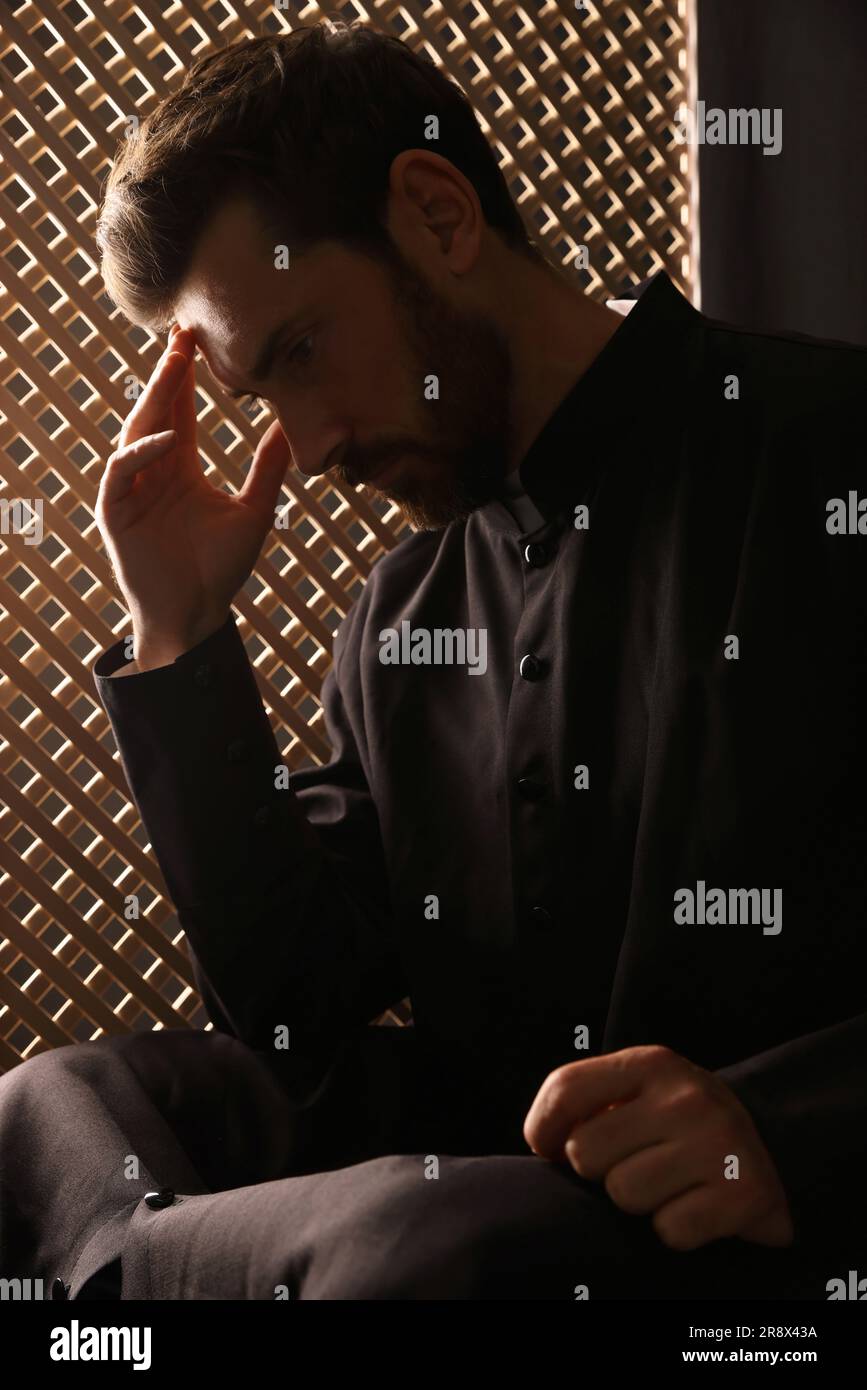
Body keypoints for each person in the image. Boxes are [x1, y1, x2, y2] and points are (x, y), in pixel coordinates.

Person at [2, 20, 865, 1301]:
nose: (305, 445)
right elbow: (298, 1018)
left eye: (299, 351)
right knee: (46, 1107)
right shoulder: (403, 614)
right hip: (450, 1199)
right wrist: (178, 631)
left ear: (439, 213)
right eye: (260, 395)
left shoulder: (832, 452)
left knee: (404, 1260)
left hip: (669, 1249)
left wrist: (785, 1129)